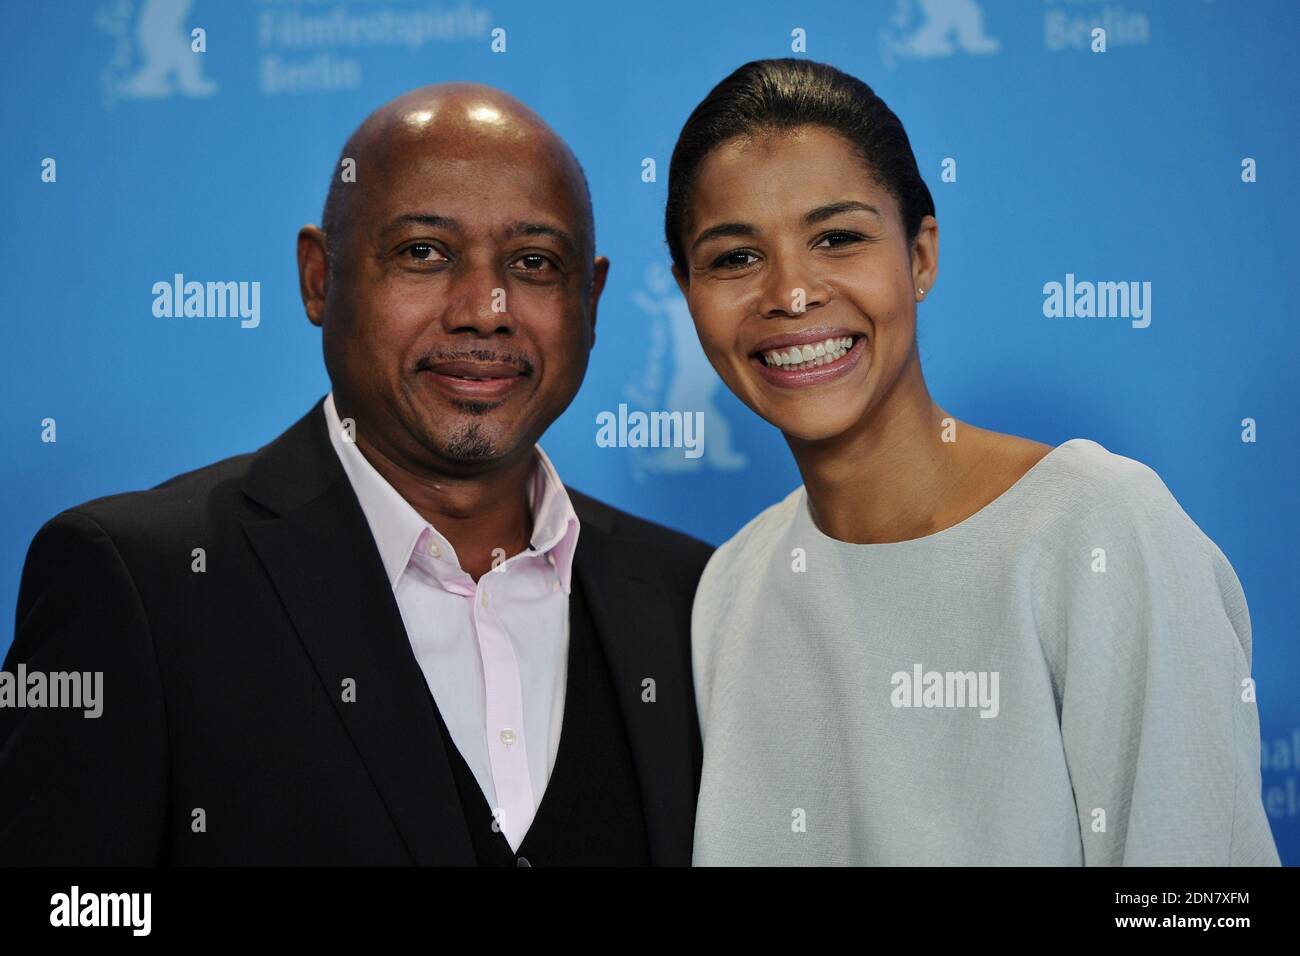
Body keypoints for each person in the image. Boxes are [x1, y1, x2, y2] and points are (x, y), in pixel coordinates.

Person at [1, 82, 711, 866]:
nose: (486, 307)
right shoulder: (138, 581)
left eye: (534, 262)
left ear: (591, 300)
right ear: (319, 277)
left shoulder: (691, 599)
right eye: (423, 253)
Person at [666, 58, 1280, 866]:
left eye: (838, 238)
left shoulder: (1099, 527)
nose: (791, 293)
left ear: (920, 256)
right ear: (687, 291)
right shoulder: (732, 588)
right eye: (735, 258)